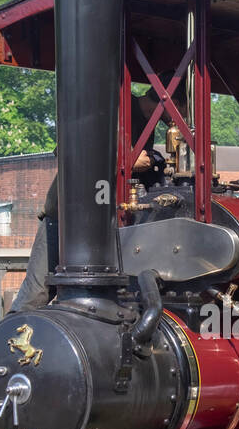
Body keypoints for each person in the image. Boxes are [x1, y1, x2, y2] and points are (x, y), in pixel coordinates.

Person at [9, 92, 164, 312]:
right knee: (37, 292)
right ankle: (8, 339)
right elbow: (72, 153)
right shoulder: (111, 103)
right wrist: (126, 160)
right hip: (65, 215)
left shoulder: (146, 121)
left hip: (106, 221)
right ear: (170, 103)